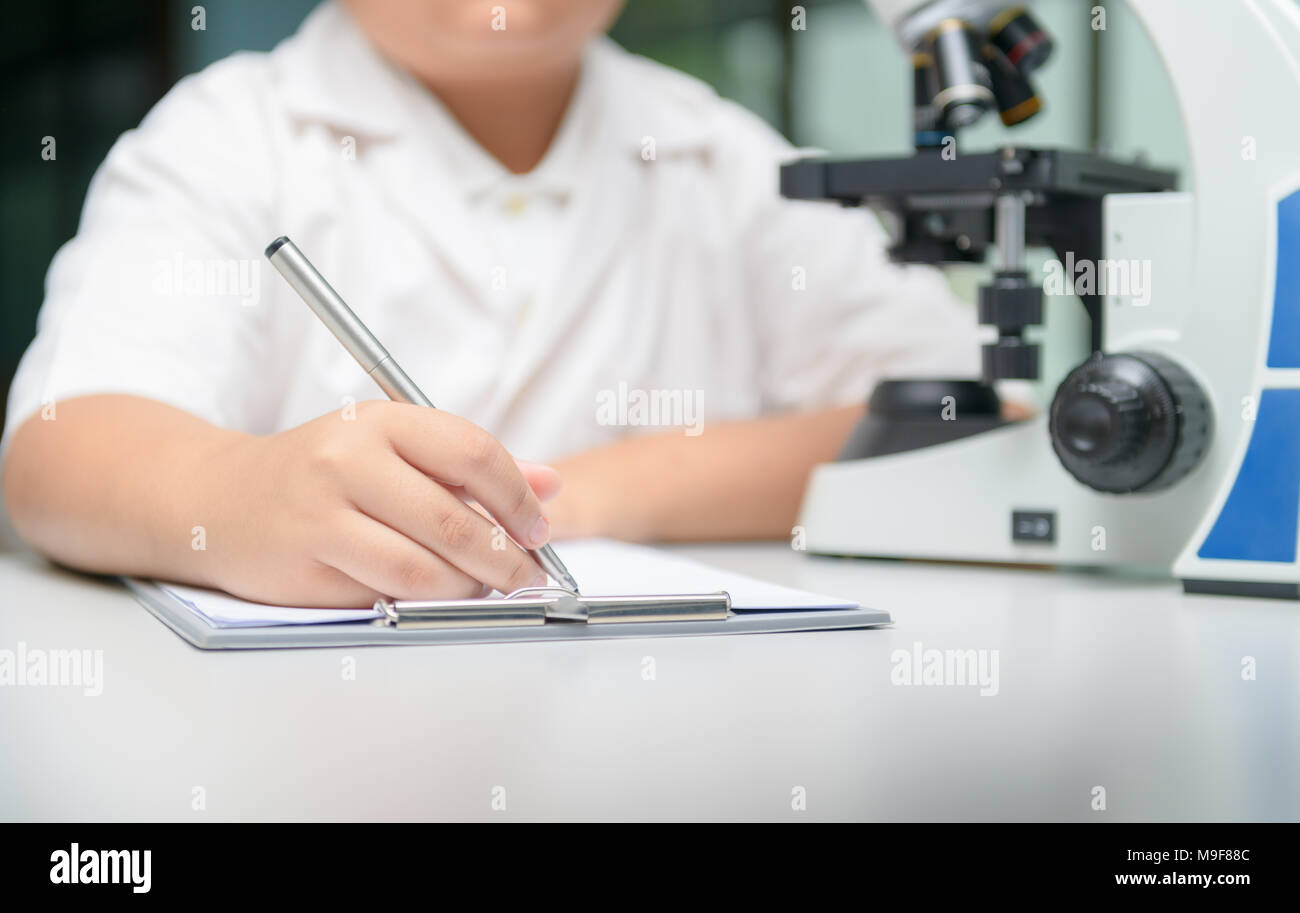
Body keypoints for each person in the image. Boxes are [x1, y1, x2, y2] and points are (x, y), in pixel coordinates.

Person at [0, 0, 978, 606]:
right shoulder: (223, 141)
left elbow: (968, 421)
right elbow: (58, 448)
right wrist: (238, 497)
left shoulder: (726, 159)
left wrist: (596, 494)